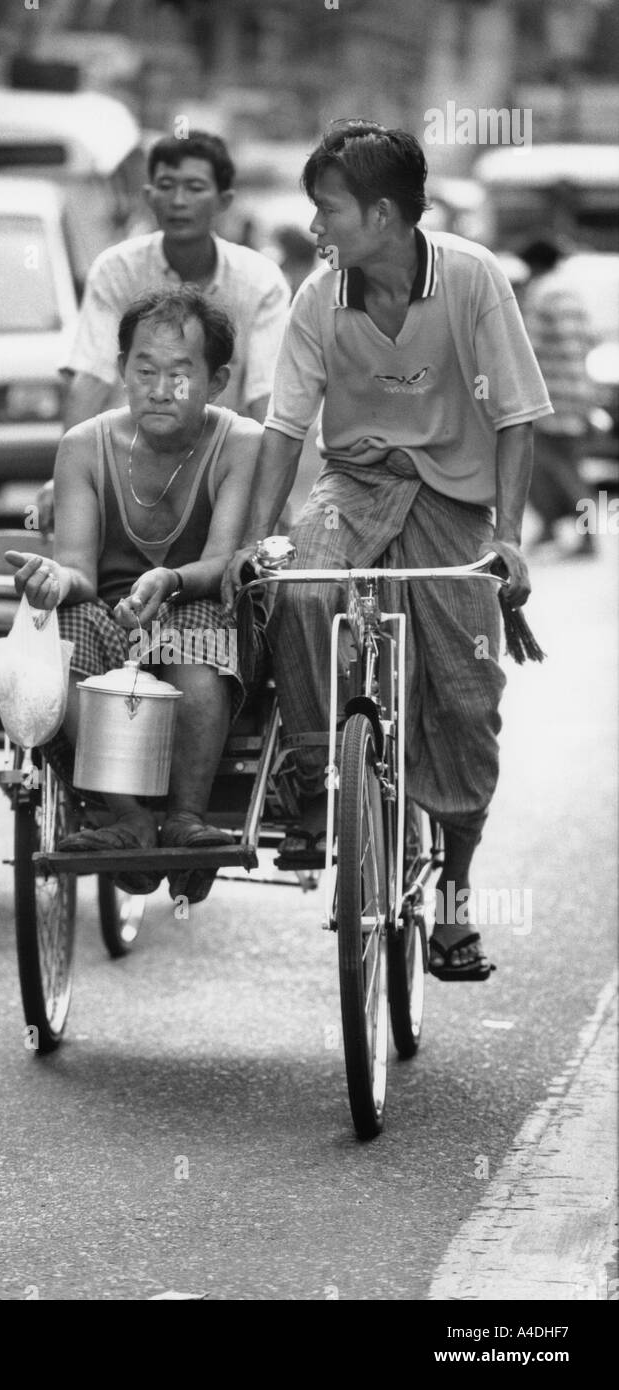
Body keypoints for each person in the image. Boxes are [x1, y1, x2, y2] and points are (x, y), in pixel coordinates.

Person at [222, 120, 552, 981]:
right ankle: (317, 786)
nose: (315, 226)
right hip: (352, 487)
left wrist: (508, 541)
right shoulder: (316, 298)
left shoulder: (473, 280)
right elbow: (284, 427)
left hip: (452, 502)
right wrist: (261, 538)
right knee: (298, 596)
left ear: (381, 212)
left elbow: (516, 417)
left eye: (325, 209)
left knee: (467, 701)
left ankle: (452, 901)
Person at [7, 287, 265, 905]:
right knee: (54, 643)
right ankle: (125, 814)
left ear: (218, 380)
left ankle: (185, 816)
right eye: (144, 370)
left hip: (196, 602)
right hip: (108, 614)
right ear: (122, 370)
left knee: (198, 630)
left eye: (181, 375)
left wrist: (168, 581)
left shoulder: (241, 442)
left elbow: (224, 560)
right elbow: (78, 569)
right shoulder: (83, 446)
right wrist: (50, 581)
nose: (159, 389)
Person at [61, 129, 290, 429]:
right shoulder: (116, 270)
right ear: (148, 197)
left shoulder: (261, 281)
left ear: (224, 200)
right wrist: (69, 465)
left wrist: (266, 472)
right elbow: (91, 377)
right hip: (128, 449)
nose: (179, 200)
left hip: (221, 455)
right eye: (166, 186)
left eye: (195, 187)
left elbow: (265, 393)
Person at [518, 237, 595, 556]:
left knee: (558, 467)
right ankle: (552, 527)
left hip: (552, 395)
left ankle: (586, 535)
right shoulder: (572, 293)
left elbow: (528, 346)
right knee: (557, 466)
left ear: (533, 264)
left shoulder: (542, 293)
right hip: (577, 391)